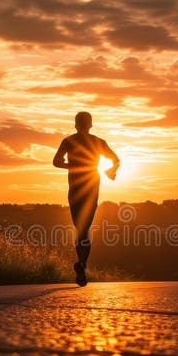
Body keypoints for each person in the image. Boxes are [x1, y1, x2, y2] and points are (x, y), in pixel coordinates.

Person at [53, 111, 120, 286]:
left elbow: (56, 162)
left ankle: (82, 265)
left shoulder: (68, 141)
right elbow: (116, 160)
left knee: (80, 228)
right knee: (85, 228)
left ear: (75, 125)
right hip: (91, 188)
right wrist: (110, 171)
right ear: (90, 125)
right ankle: (82, 264)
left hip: (75, 190)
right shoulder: (98, 142)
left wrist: (72, 166)